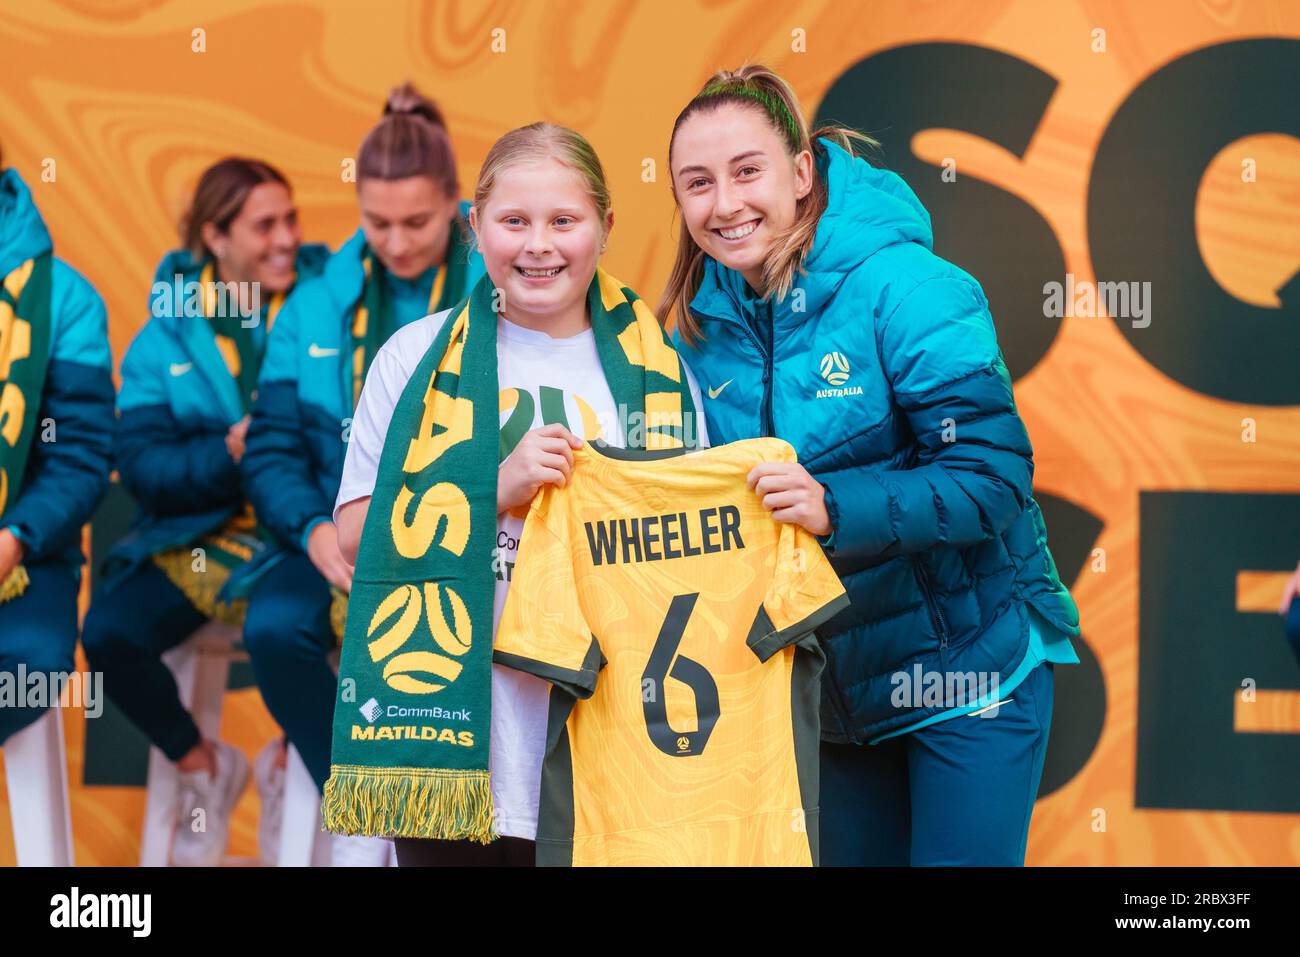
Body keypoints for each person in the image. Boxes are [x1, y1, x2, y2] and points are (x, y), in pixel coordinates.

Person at [659, 65, 1081, 866]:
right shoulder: (691, 333)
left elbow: (993, 479)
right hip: (833, 698)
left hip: (969, 673)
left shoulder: (908, 287)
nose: (725, 203)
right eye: (697, 183)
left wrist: (833, 506)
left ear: (802, 170)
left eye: (748, 170)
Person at [329, 122, 708, 866]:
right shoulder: (413, 357)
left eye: (564, 220)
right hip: (456, 740)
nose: (539, 245)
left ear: (605, 226)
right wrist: (494, 486)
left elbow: (692, 554)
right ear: (475, 227)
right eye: (514, 221)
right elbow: (353, 534)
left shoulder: (660, 373)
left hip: (610, 734)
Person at [240, 83, 485, 826]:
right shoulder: (313, 304)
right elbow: (273, 447)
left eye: (417, 221)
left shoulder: (503, 280)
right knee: (275, 630)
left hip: (471, 537)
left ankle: (457, 809)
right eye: (376, 223)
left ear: (456, 203)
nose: (399, 242)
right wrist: (317, 532)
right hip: (339, 533)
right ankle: (354, 798)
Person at [82, 156, 327, 866]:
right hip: (202, 537)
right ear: (216, 238)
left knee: (296, 631)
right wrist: (229, 452)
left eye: (291, 218)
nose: (286, 238)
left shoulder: (336, 303)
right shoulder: (167, 337)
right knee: (108, 632)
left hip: (304, 531)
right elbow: (146, 467)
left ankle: (290, 763)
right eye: (265, 224)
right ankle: (204, 766)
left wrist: (287, 453)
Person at [0, 145, 114, 749]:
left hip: (23, 554)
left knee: (33, 669)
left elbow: (80, 458)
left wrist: (14, 539)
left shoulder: (65, 300)